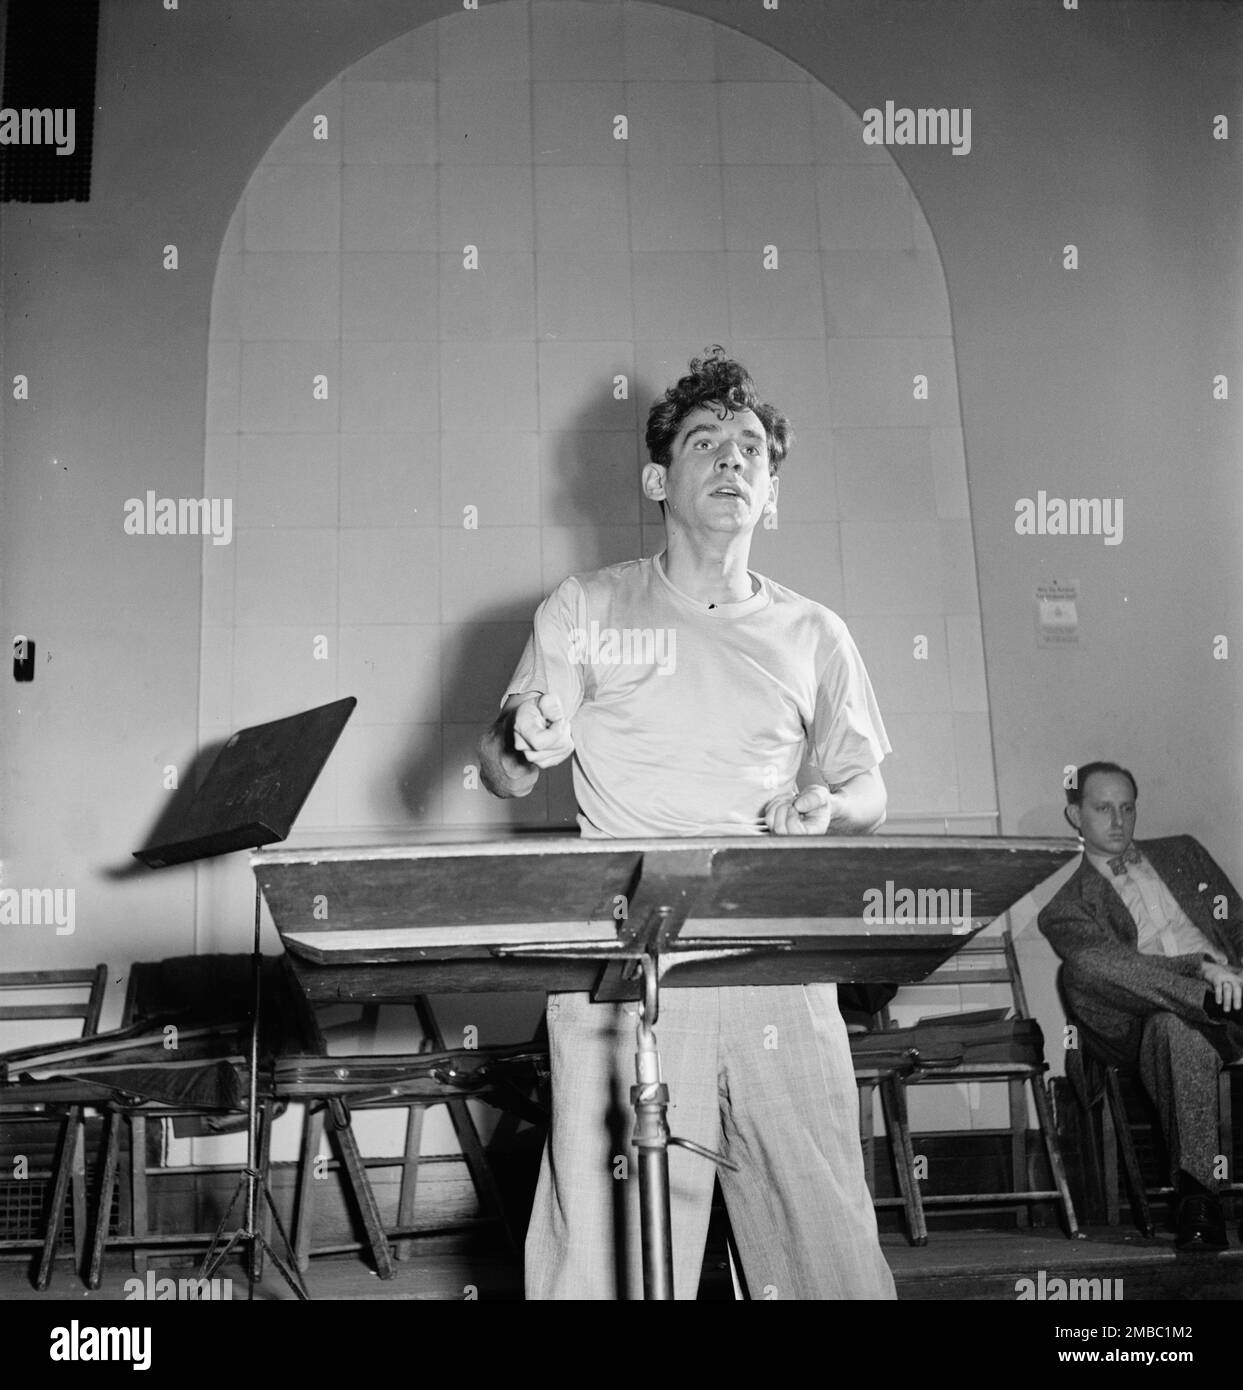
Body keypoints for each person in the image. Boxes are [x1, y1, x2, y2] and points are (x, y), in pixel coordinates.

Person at [478, 348, 896, 1299]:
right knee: (606, 1243)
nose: (731, 459)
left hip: (775, 953)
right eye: (704, 442)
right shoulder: (586, 608)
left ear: (772, 492)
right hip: (624, 962)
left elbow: (866, 790)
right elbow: (502, 771)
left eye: (750, 446)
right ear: (657, 479)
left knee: (821, 1229)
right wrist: (524, 738)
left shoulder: (815, 634)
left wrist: (828, 806)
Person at [1038, 761, 1243, 1249]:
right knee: (1083, 971)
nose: (1118, 820)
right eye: (1103, 808)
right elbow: (1100, 972)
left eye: (1127, 808)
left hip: (1227, 998)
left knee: (1178, 1029)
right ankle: (1207, 1001)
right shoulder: (1065, 909)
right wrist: (1199, 971)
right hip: (1139, 1026)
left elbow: (1236, 925)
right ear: (1074, 816)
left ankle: (1198, 1202)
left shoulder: (1184, 853)